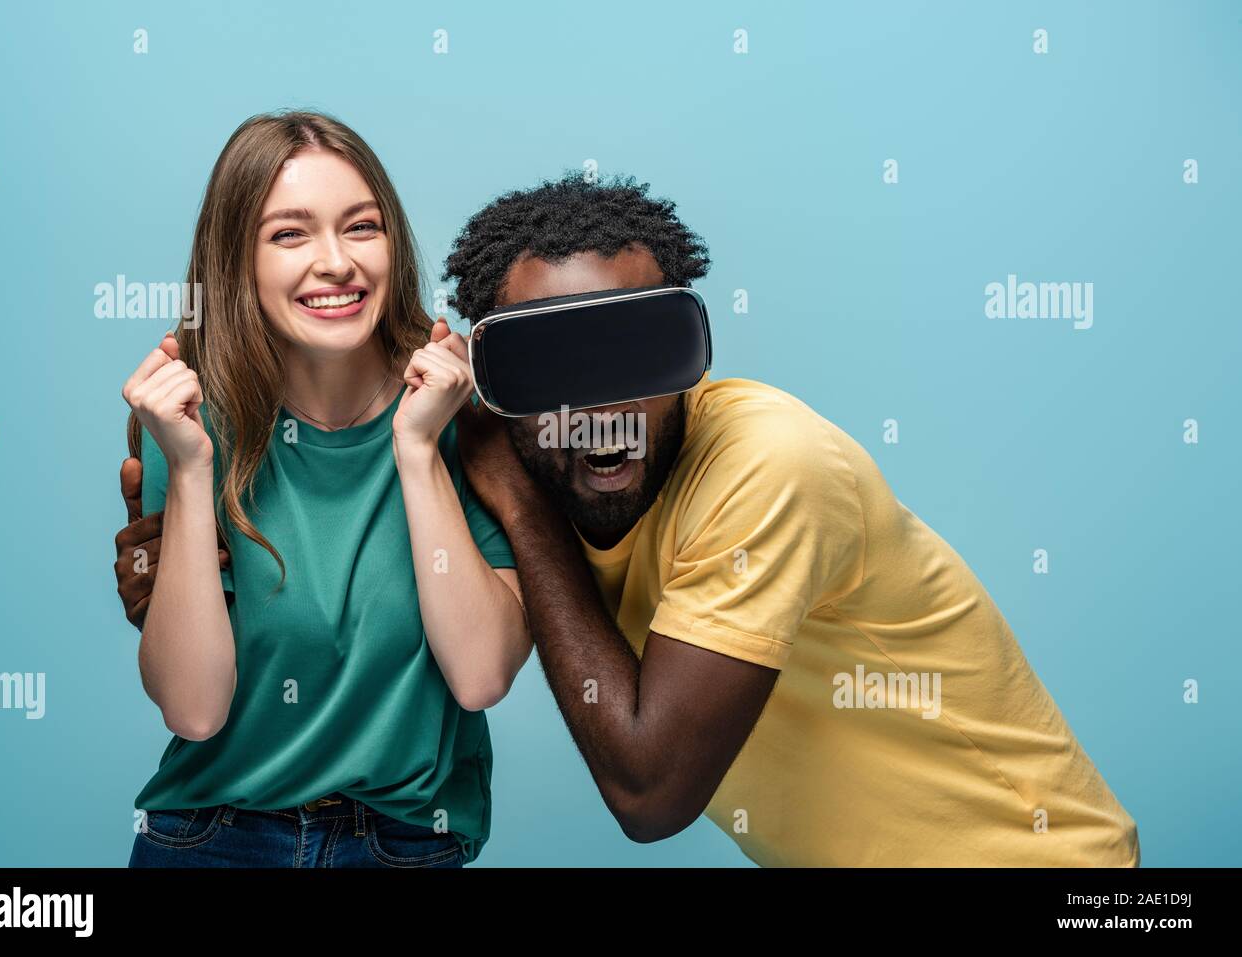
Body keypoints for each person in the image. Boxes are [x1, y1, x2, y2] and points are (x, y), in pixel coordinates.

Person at [116, 172, 1140, 867]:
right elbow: (373, 600)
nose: (599, 409)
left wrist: (514, 498)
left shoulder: (762, 464)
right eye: (557, 364)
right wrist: (183, 578)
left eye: (633, 355)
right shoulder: (488, 443)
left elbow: (649, 793)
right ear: (502, 372)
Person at [118, 110, 530, 868]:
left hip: (404, 843)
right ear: (238, 260)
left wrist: (416, 450)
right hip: (212, 837)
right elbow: (194, 708)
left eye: (361, 227)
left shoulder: (462, 412)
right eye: (289, 234)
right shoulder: (187, 422)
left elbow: (481, 675)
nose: (335, 262)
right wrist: (187, 469)